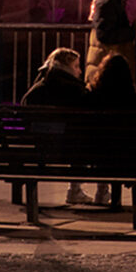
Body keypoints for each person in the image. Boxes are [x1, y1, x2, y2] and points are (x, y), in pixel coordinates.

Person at [19, 47, 93, 206]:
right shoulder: (77, 91)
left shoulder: (34, 92)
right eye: (76, 66)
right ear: (66, 67)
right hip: (71, 150)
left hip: (37, 149)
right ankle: (75, 189)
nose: (80, 71)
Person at [85, 53, 136, 206]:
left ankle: (102, 191)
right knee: (120, 147)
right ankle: (117, 199)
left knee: (106, 145)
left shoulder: (94, 95)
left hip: (95, 153)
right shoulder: (132, 97)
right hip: (127, 155)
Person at [87, 0, 136, 89]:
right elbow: (105, 35)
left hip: (106, 62)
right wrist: (132, 32)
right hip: (109, 63)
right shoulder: (108, 1)